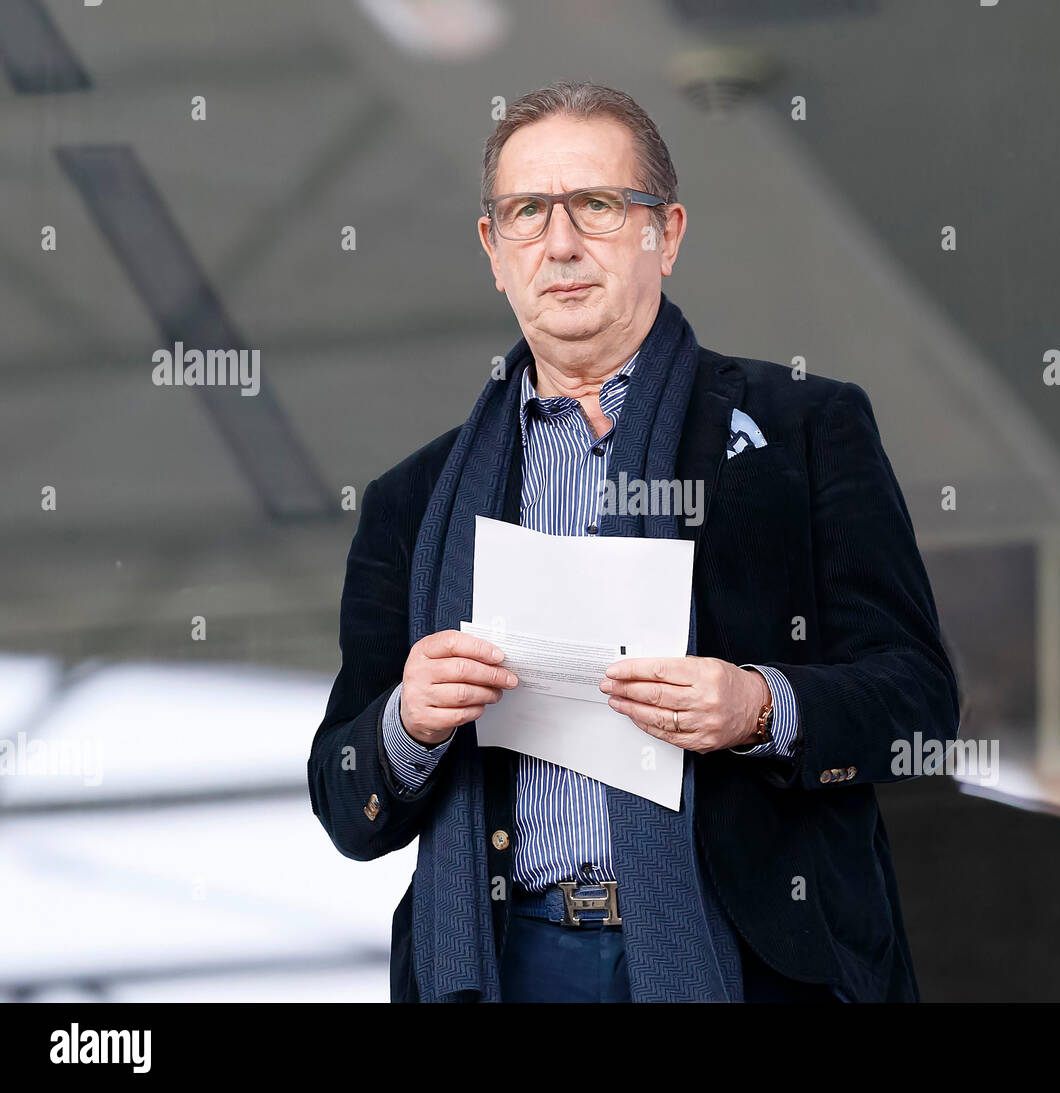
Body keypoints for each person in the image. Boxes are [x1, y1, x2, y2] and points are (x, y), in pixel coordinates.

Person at [308, 80, 960, 1003]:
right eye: (528, 212)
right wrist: (407, 720)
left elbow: (920, 709)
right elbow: (344, 799)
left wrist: (760, 706)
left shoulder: (807, 429)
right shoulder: (413, 502)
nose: (561, 242)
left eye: (599, 206)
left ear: (668, 232)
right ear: (494, 251)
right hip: (502, 967)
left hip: (749, 964)